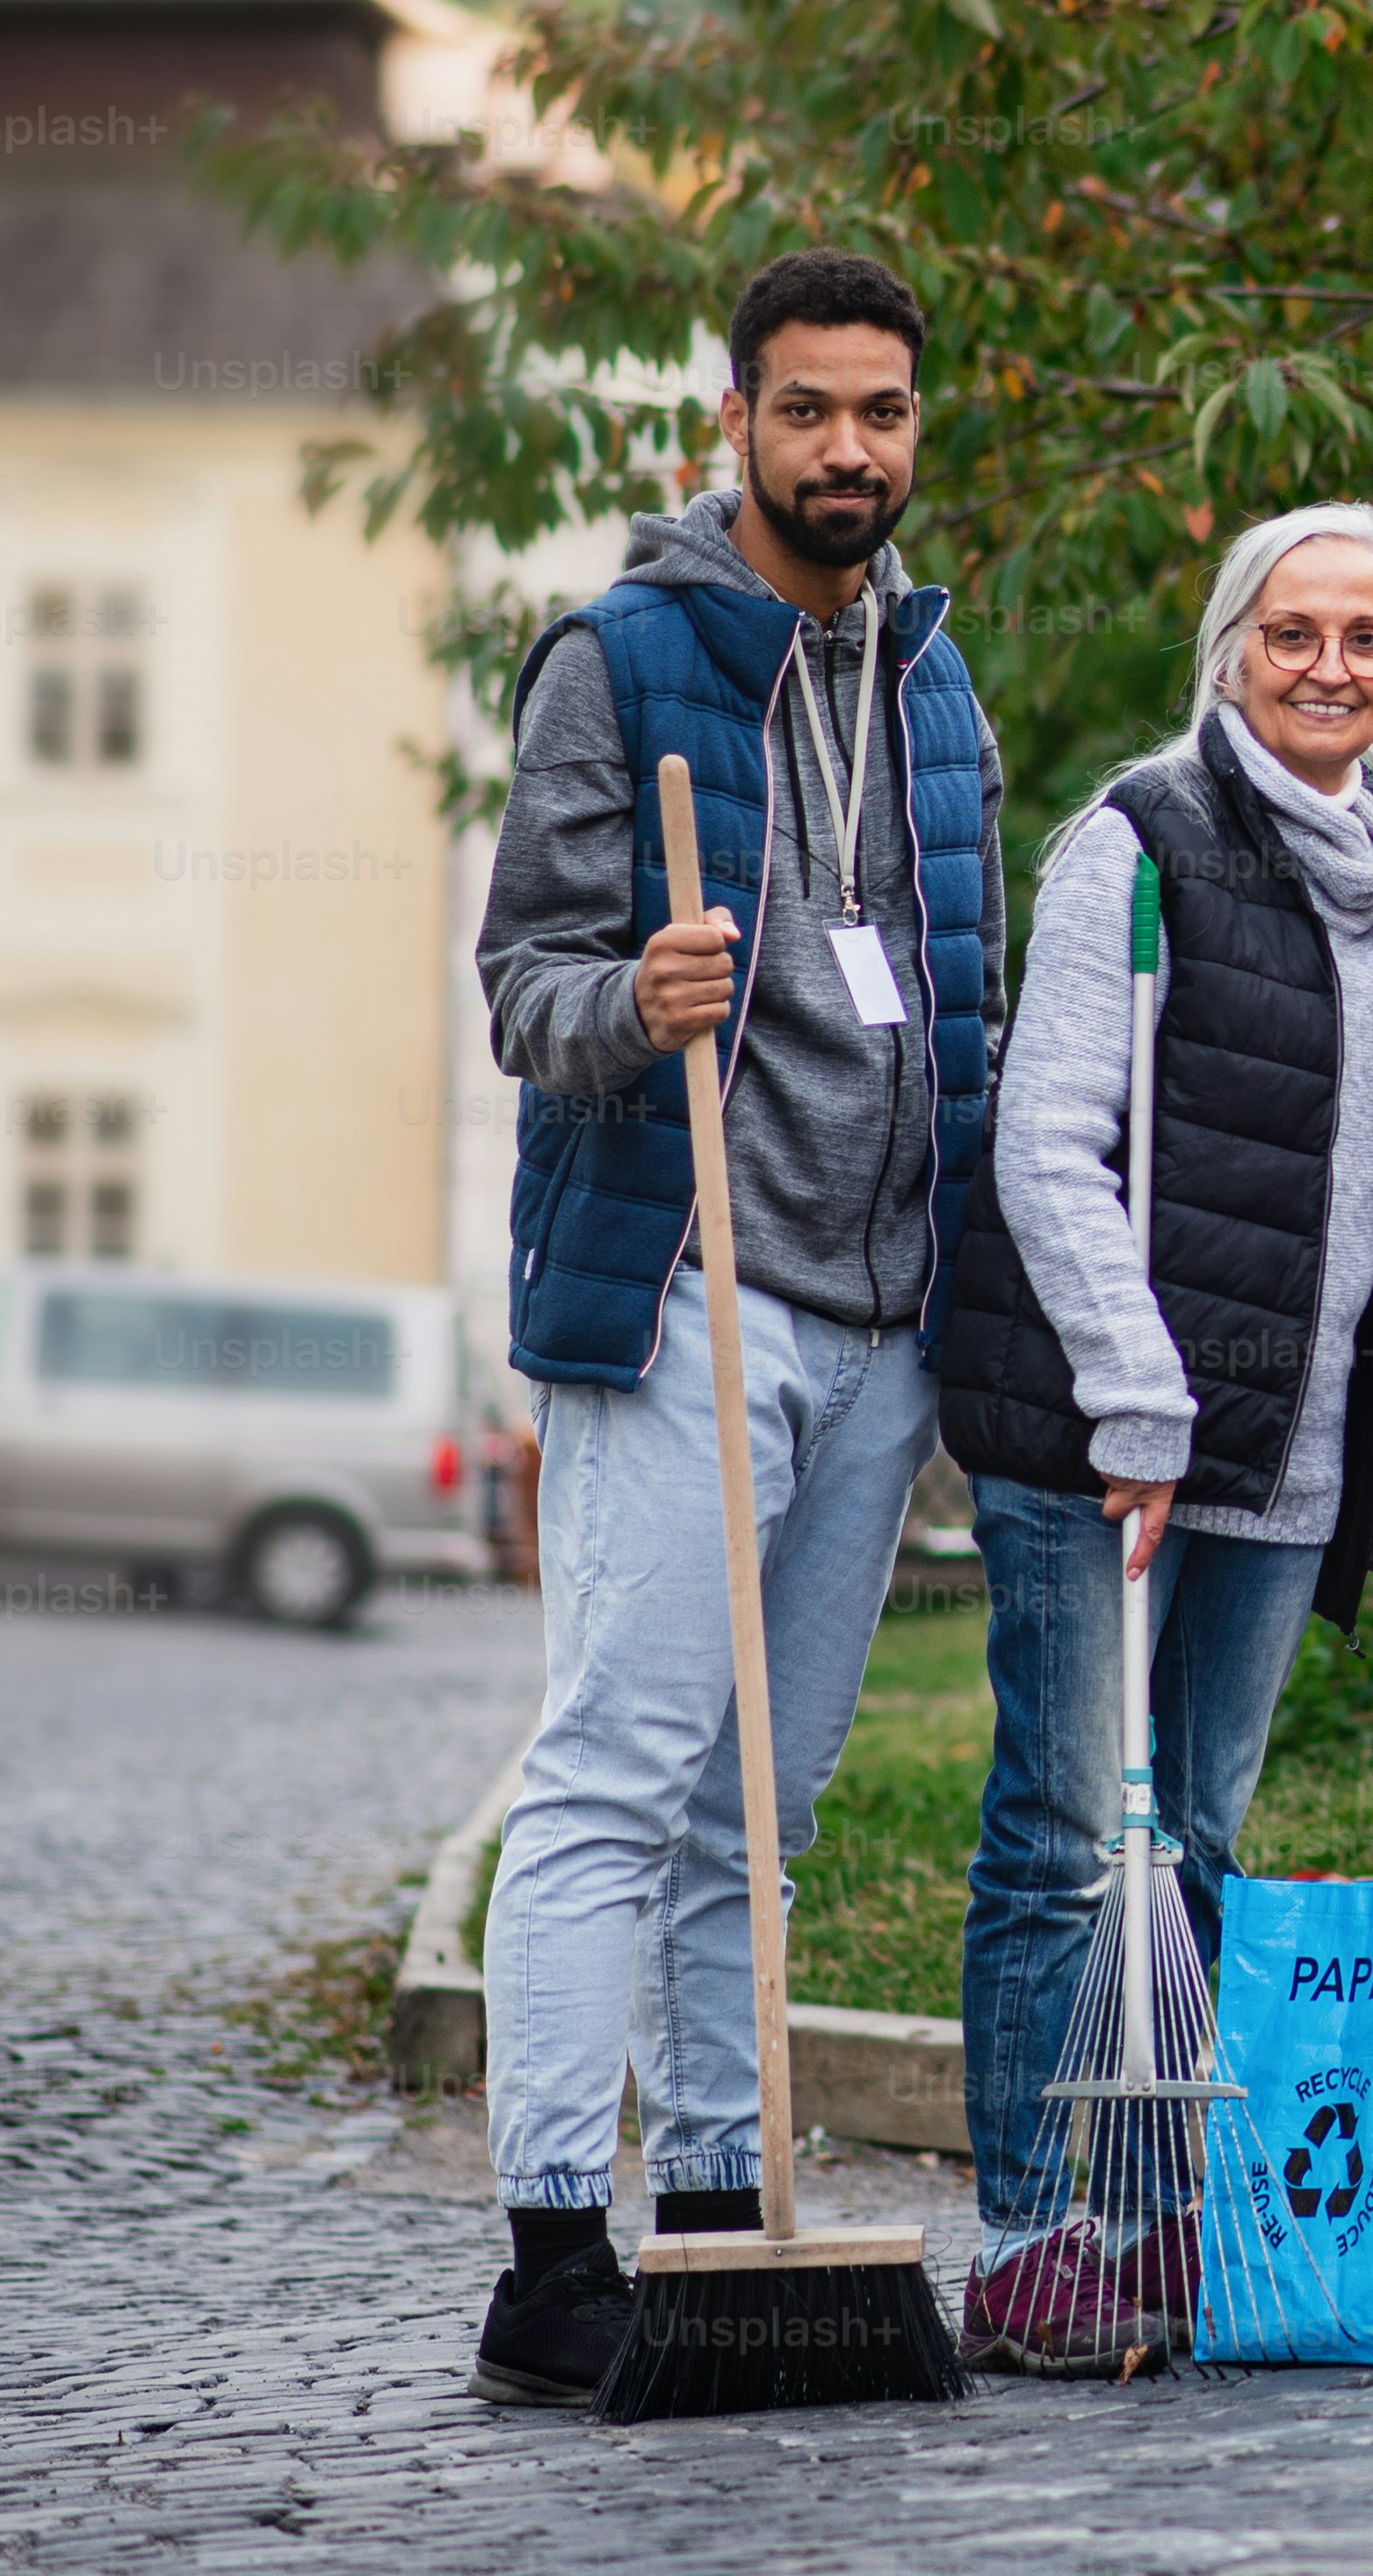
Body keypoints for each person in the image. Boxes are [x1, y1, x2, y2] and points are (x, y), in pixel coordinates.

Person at [466, 248, 1004, 2405]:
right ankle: (545, 2255)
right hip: (694, 1288)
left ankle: (708, 2205)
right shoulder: (622, 656)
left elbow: (951, 998)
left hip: (882, 1331)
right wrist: (635, 1000)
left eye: (881, 411)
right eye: (808, 411)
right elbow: (525, 986)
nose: (848, 449)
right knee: (615, 1767)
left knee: (756, 1815)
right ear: (739, 420)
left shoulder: (938, 682)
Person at [929, 502, 1373, 2376]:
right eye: (1293, 630)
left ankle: (1143, 2225)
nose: (1330, 665)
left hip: (1274, 1455)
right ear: (1233, 644)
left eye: (1367, 637)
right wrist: (1139, 1392)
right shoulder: (1138, 841)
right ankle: (1022, 2228)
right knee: (1070, 1833)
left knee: (1195, 1835)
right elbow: (1049, 1139)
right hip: (1098, 1437)